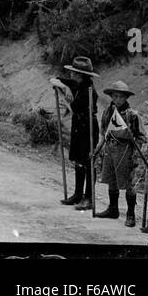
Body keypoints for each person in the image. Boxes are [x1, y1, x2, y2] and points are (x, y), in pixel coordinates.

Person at [94, 80, 145, 226]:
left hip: (126, 151)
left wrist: (135, 153)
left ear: (126, 98)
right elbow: (104, 134)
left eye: (121, 97)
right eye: (115, 96)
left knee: (129, 182)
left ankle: (130, 215)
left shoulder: (133, 115)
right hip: (110, 149)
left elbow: (141, 137)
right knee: (111, 180)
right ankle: (113, 209)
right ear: (111, 96)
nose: (117, 99)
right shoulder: (107, 112)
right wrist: (97, 150)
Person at [50, 56, 98, 208]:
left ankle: (89, 198)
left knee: (88, 161)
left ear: (80, 75)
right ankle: (78, 195)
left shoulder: (89, 91)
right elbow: (54, 80)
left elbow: (74, 108)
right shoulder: (76, 85)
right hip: (78, 125)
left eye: (73, 73)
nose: (70, 75)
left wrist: (66, 98)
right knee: (78, 160)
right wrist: (66, 88)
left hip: (88, 126)